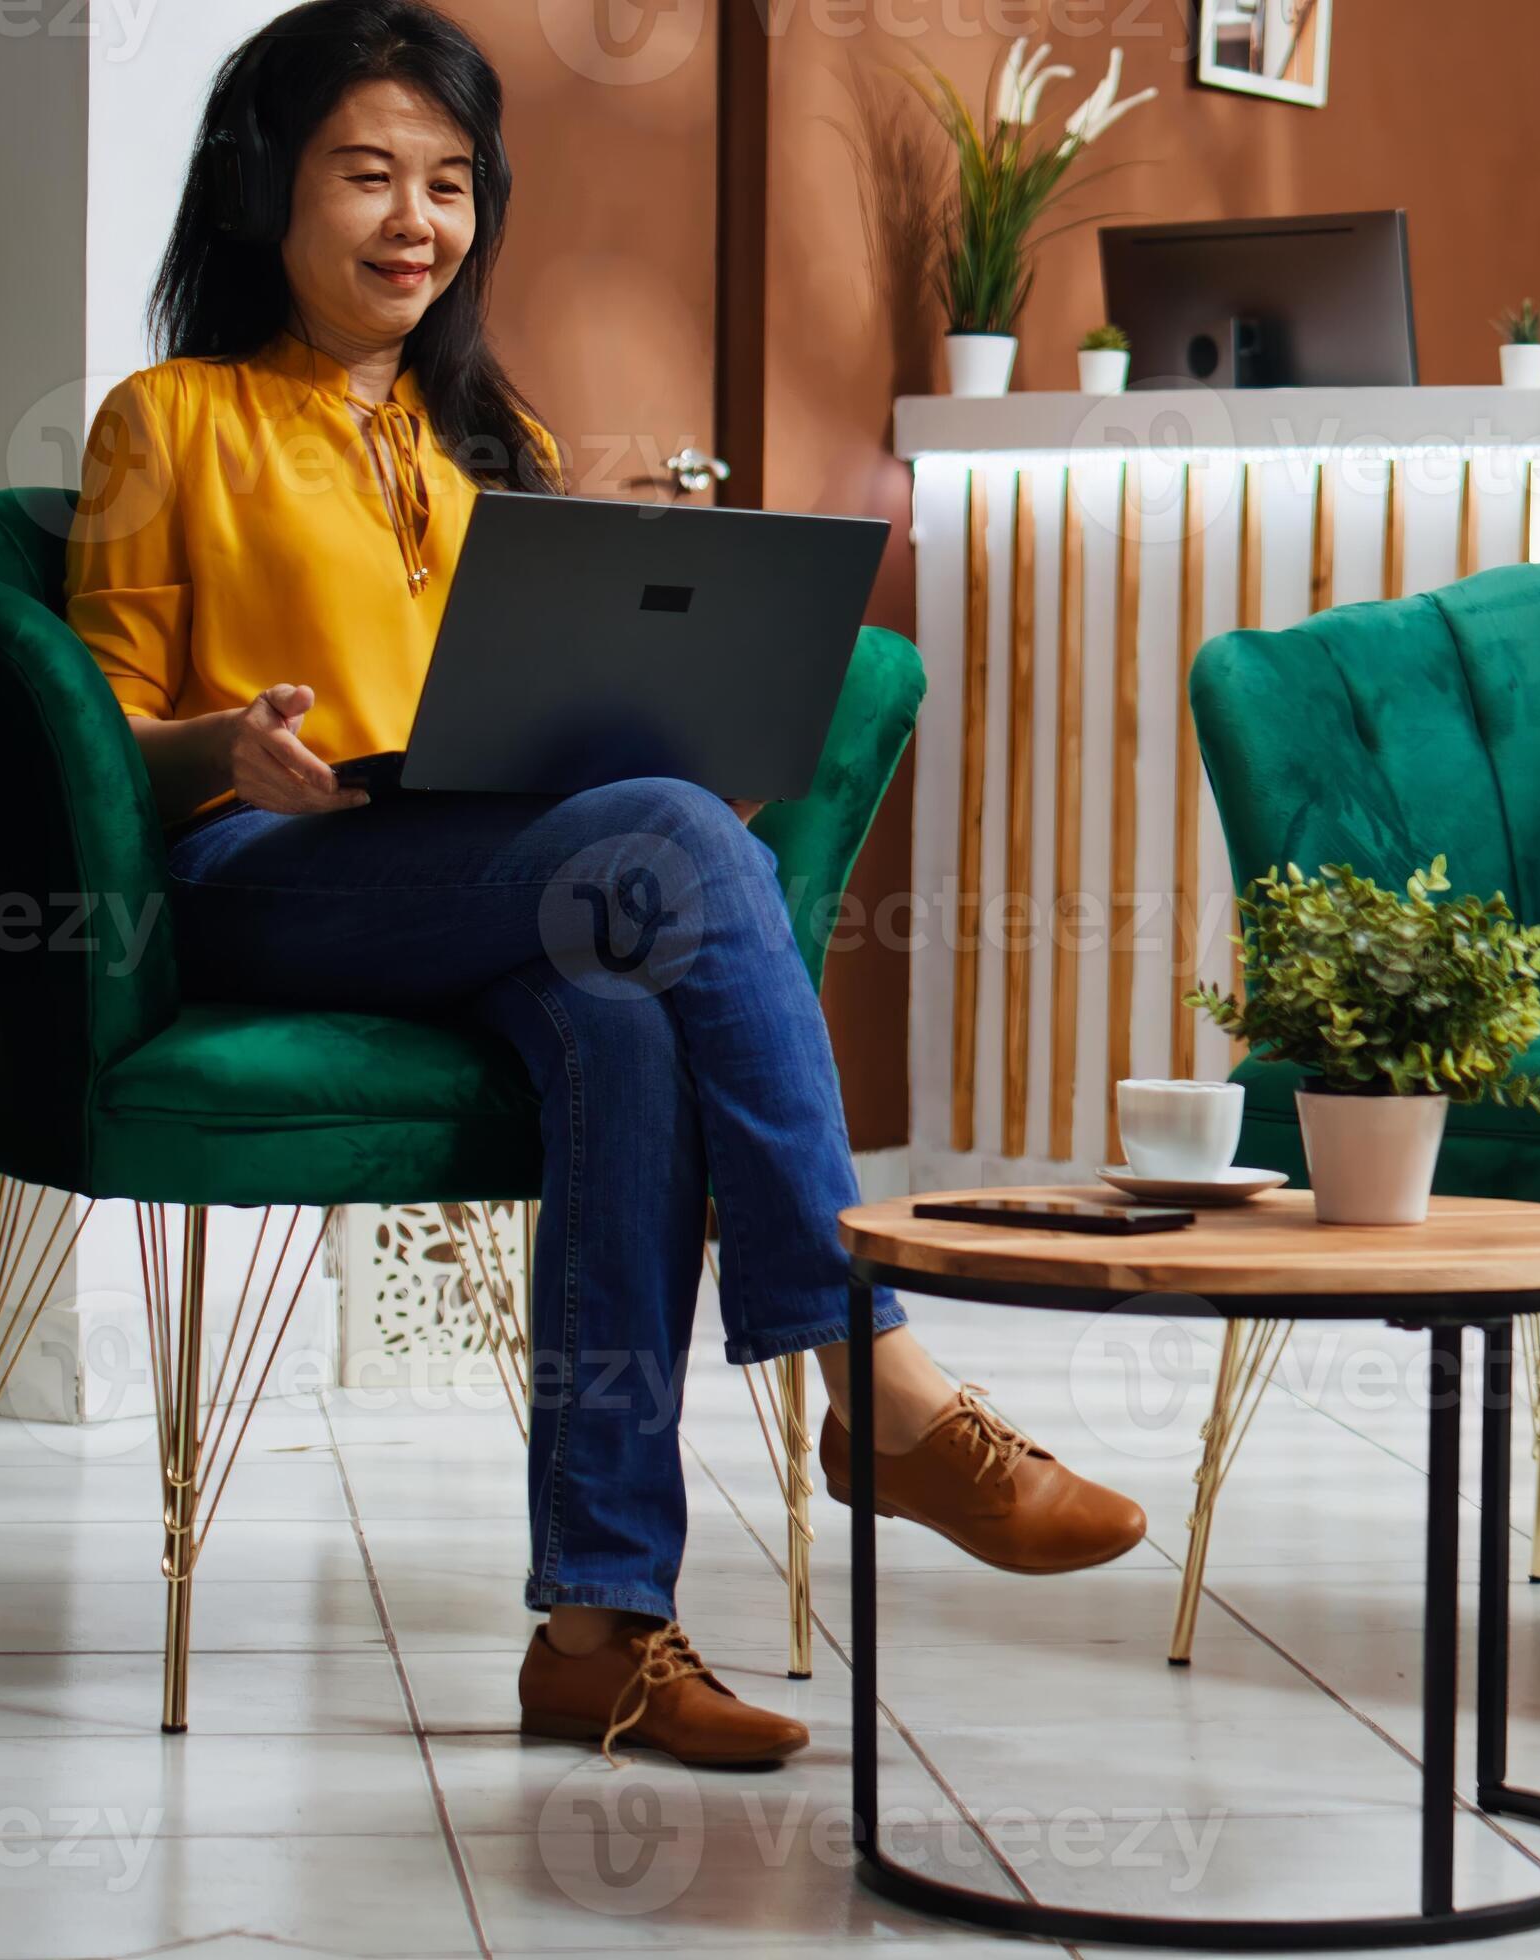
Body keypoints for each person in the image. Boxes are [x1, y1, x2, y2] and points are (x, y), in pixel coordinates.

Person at [67, 0, 1144, 1769]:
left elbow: (550, 712)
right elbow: (103, 727)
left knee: (627, 1026)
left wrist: (674, 736)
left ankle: (598, 1630)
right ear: (267, 187)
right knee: (662, 842)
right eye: (367, 175)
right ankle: (869, 1372)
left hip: (493, 865)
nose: (416, 219)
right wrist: (223, 748)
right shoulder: (166, 419)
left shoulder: (495, 436)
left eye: (449, 181)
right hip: (271, 875)